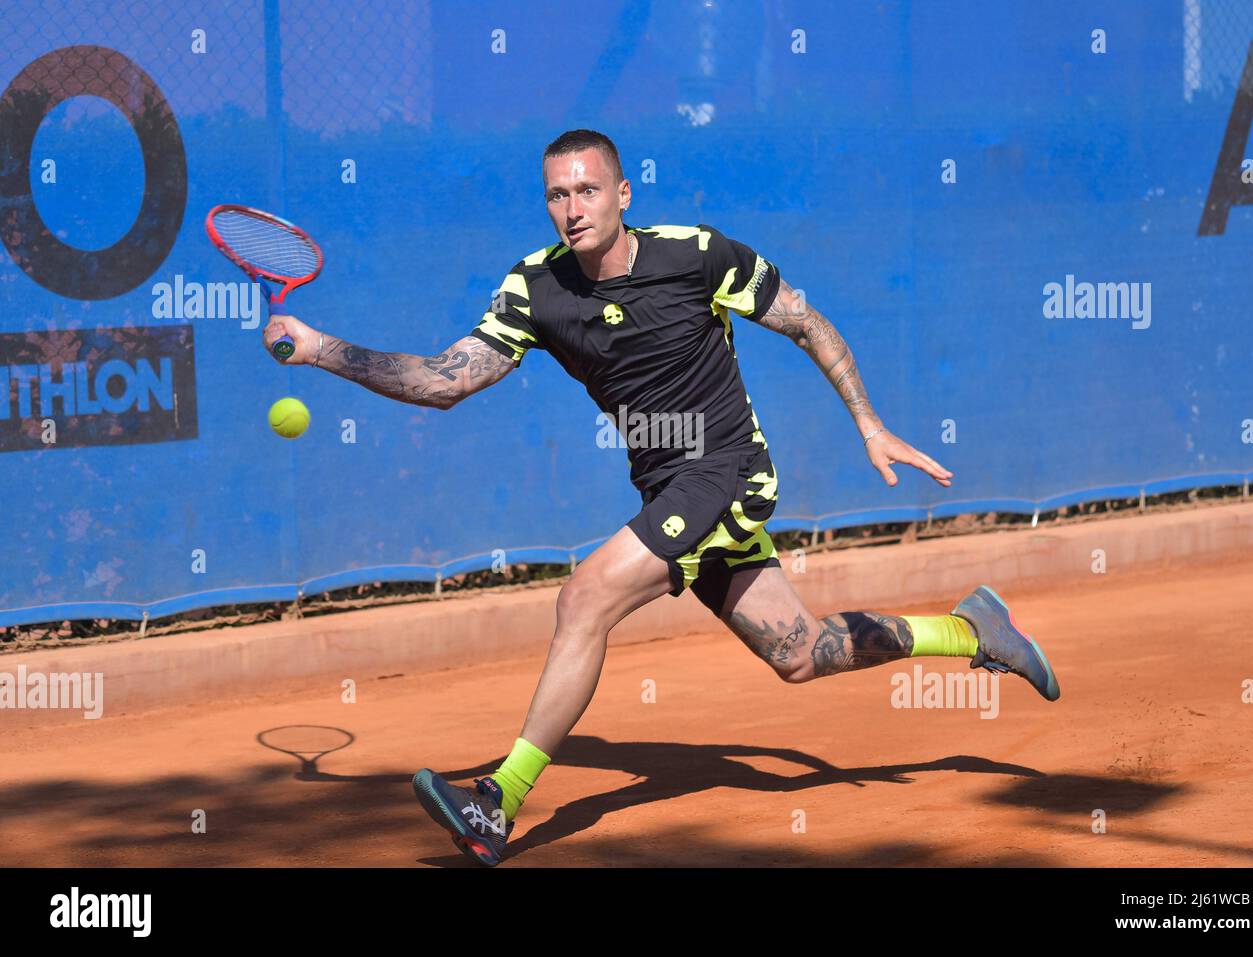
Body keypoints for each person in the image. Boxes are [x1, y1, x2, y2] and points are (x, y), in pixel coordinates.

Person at [263, 129, 1061, 867]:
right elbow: (446, 380)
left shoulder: (697, 256)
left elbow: (805, 322)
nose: (571, 209)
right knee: (801, 652)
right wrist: (324, 349)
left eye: (586, 190)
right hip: (667, 484)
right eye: (556, 195)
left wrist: (869, 422)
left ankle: (497, 801)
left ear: (623, 194)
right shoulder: (534, 287)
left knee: (585, 599)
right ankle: (973, 631)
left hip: (724, 472)